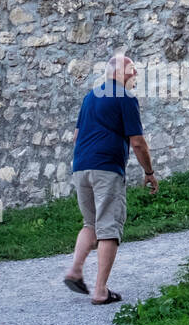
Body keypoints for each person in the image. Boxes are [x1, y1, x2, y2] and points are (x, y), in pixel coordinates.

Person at [62, 54, 158, 304]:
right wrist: (149, 172)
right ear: (124, 72)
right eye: (134, 71)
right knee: (109, 228)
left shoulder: (90, 97)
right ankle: (100, 290)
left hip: (81, 167)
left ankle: (75, 270)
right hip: (106, 168)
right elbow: (137, 142)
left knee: (90, 223)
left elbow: (76, 136)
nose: (136, 76)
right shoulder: (125, 98)